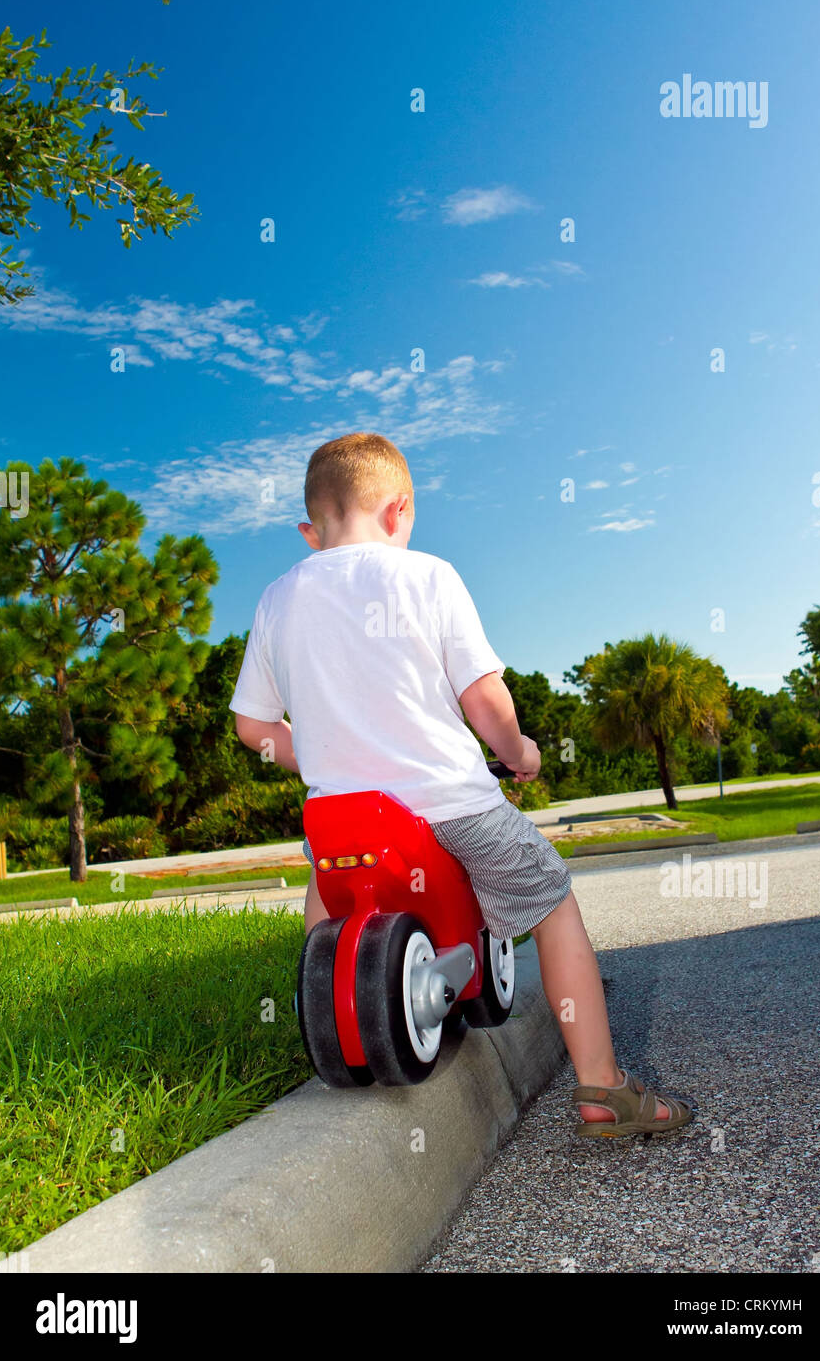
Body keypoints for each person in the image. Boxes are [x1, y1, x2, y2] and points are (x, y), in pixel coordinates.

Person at [230, 432, 693, 1137]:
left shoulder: (277, 599)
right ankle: (604, 1087)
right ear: (399, 511)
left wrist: (325, 760)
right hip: (452, 805)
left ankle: (335, 1023)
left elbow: (254, 728)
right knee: (553, 904)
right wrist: (521, 750)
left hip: (342, 820)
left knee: (327, 900)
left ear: (309, 530)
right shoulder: (428, 576)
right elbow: (483, 699)